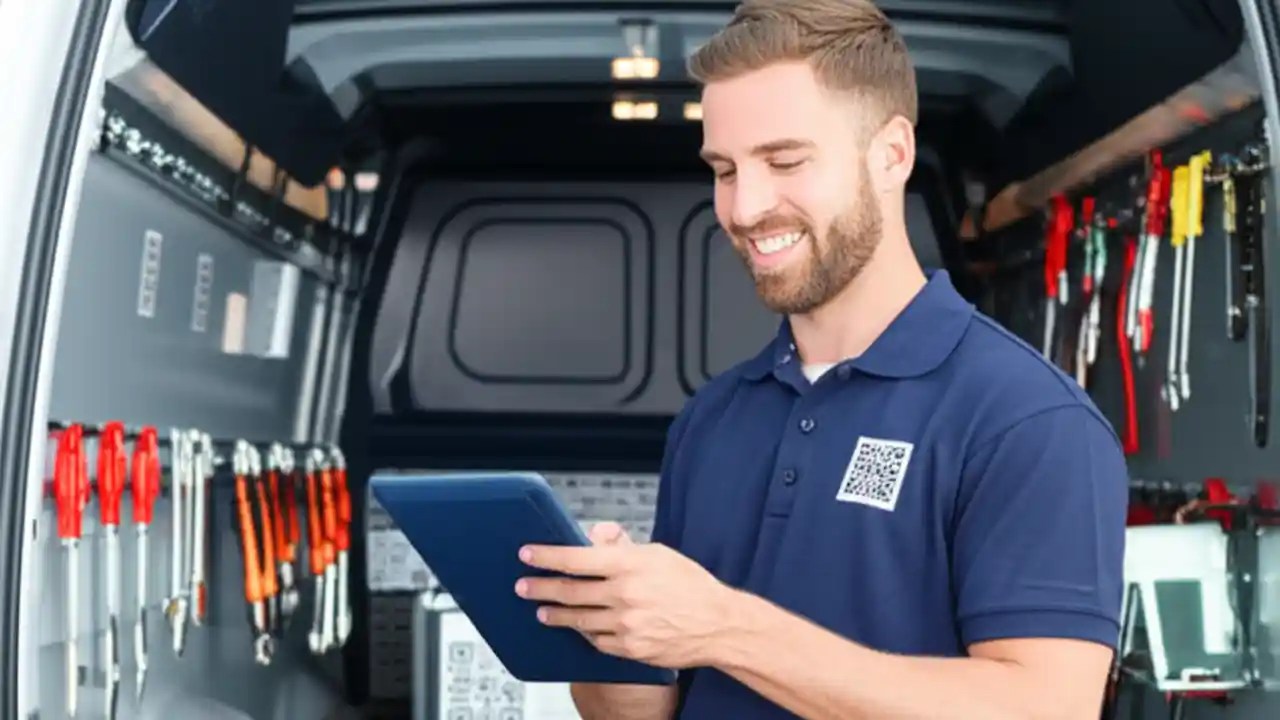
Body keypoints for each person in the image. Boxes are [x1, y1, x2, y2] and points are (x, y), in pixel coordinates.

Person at [513, 0, 1129, 717]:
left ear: (891, 153)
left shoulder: (1027, 422)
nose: (744, 208)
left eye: (784, 161)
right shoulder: (713, 418)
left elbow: (1044, 708)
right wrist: (609, 625)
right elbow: (645, 710)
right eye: (724, 169)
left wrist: (725, 627)